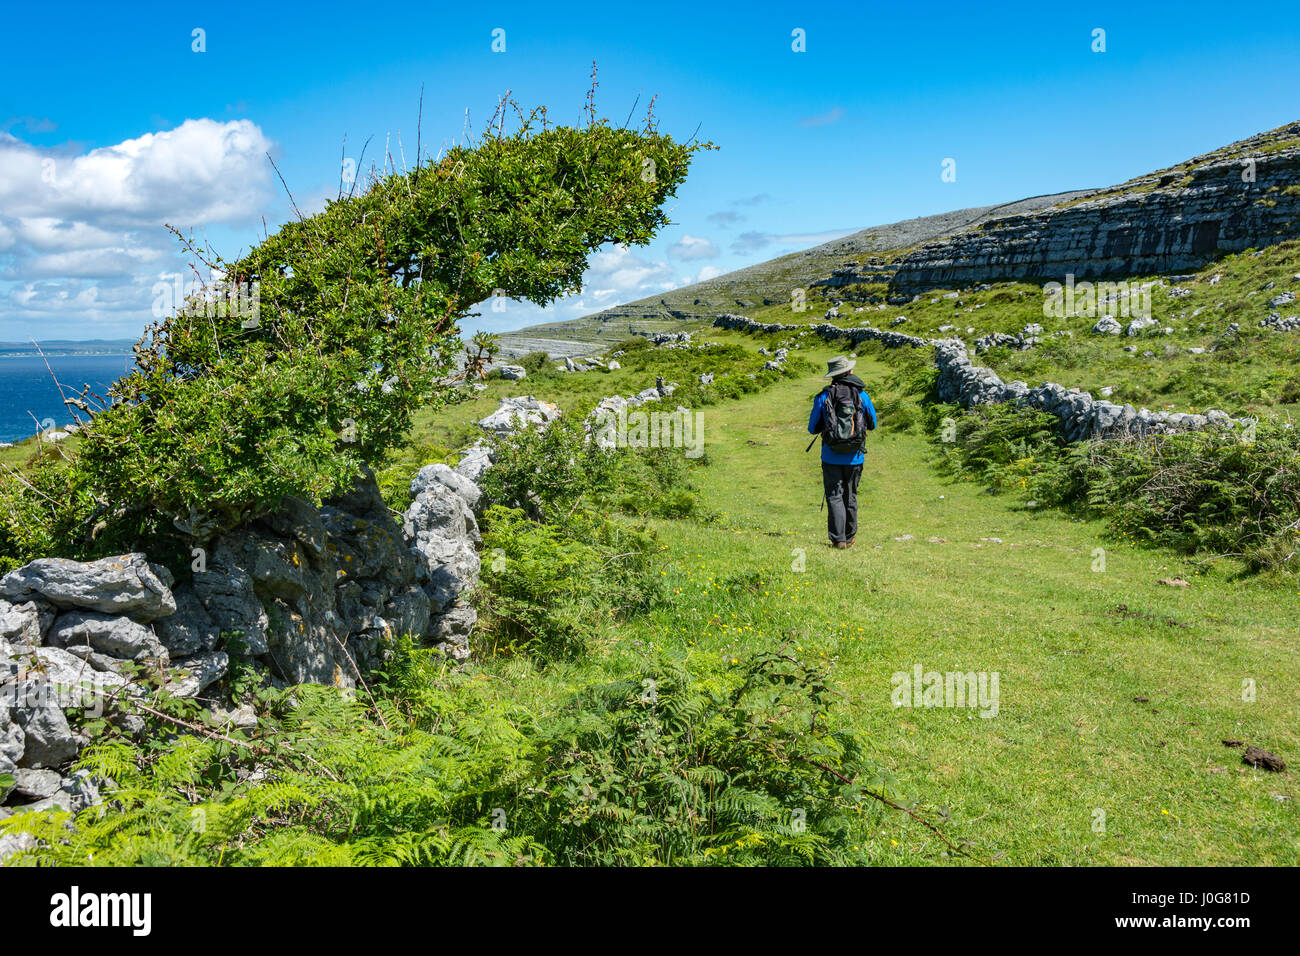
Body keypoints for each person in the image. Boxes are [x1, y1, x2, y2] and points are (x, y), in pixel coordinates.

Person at [807, 356, 877, 549]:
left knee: (834, 496)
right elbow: (873, 424)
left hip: (830, 456)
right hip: (855, 456)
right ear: (848, 372)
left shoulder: (823, 396)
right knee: (850, 495)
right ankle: (850, 536)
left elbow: (812, 428)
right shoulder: (862, 396)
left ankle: (838, 540)